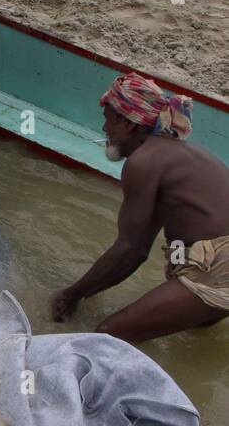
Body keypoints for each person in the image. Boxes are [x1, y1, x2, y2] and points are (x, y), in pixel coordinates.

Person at [51, 75, 229, 343]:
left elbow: (131, 250)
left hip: (219, 269)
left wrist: (70, 295)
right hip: (216, 266)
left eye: (109, 119)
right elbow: (140, 249)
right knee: (191, 334)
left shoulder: (143, 162)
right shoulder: (180, 154)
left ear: (128, 123)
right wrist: (88, 292)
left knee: (107, 336)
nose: (104, 127)